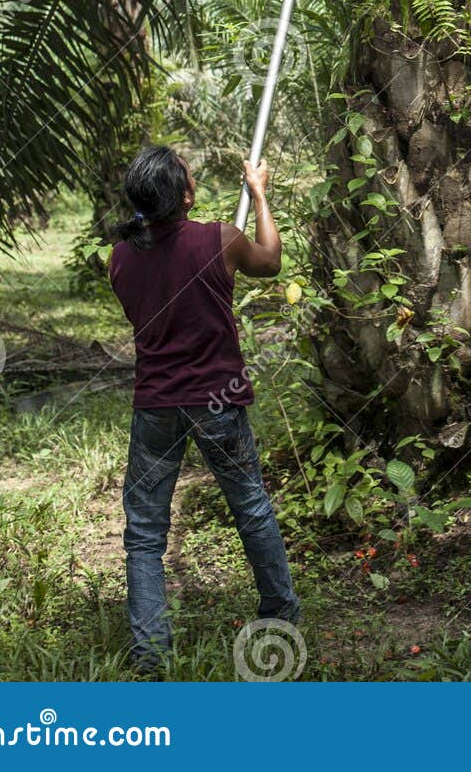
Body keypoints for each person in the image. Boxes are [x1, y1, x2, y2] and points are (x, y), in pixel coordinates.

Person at [109, 145, 300, 671]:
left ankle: (151, 655)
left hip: (156, 406)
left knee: (145, 533)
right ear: (185, 195)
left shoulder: (120, 256)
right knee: (251, 507)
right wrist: (258, 192)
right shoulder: (219, 238)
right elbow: (271, 261)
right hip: (217, 400)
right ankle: (280, 615)